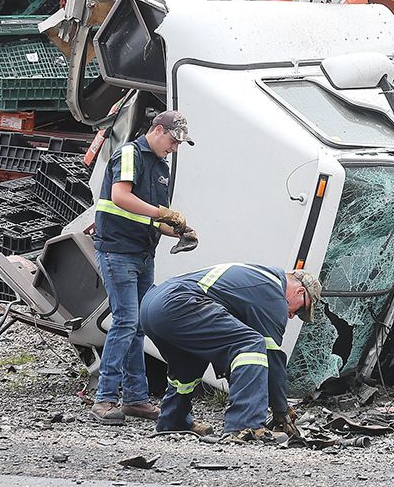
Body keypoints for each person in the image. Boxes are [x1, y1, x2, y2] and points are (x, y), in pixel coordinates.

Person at [91, 110, 199, 425]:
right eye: (174, 140)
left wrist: (179, 230)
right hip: (117, 250)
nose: (175, 148)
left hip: (141, 253)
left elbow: (153, 219)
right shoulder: (129, 154)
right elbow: (120, 196)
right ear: (158, 130)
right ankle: (105, 399)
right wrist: (163, 213)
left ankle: (136, 399)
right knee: (125, 321)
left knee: (136, 325)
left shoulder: (160, 167)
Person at [139, 263, 322, 439]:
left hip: (152, 307)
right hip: (177, 303)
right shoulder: (273, 294)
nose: (291, 316)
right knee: (252, 344)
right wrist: (281, 409)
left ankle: (173, 421)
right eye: (300, 310)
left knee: (189, 362)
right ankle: (245, 425)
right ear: (300, 292)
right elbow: (272, 358)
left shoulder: (257, 278)